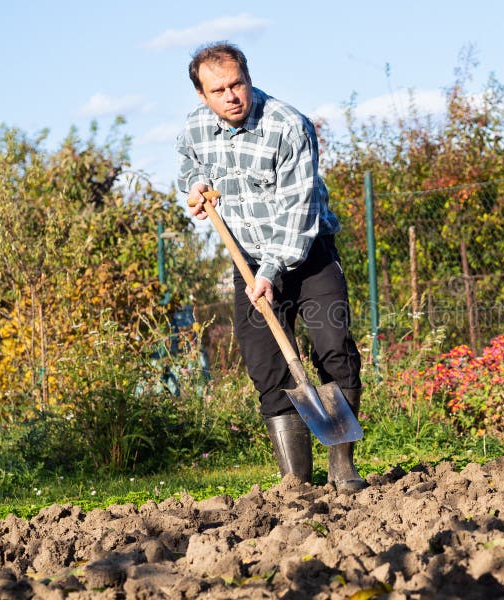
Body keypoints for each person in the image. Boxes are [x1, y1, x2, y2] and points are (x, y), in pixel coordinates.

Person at [175, 41, 367, 493]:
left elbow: (298, 211)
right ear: (203, 95)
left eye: (237, 83)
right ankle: (295, 481)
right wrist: (195, 186)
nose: (231, 96)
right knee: (266, 366)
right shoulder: (196, 127)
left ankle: (342, 465)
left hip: (308, 254)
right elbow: (188, 164)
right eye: (218, 90)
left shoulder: (288, 125)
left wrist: (271, 273)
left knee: (334, 347)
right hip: (249, 262)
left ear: (249, 76)